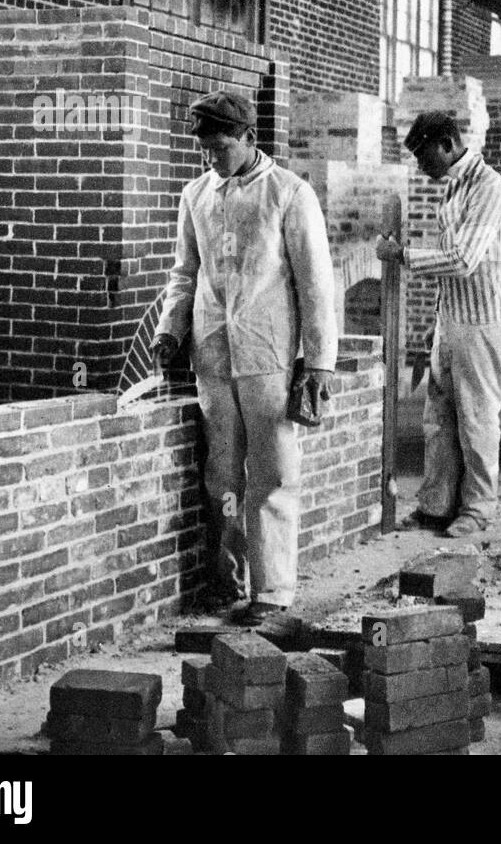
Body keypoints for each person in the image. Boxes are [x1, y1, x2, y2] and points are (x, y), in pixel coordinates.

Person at [152, 90, 337, 626]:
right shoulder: (196, 195)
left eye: (219, 147)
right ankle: (227, 579)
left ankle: (272, 592)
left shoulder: (289, 194)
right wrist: (172, 328)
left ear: (248, 138)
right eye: (204, 149)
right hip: (214, 354)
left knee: (274, 476)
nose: (211, 158)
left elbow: (316, 284)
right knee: (222, 476)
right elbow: (184, 272)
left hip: (269, 355)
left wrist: (319, 362)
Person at [375, 111, 501, 538]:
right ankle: (437, 505)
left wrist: (402, 255)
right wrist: (438, 321)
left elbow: (462, 258)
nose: (421, 166)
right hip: (454, 317)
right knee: (438, 415)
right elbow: (450, 256)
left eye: (424, 156)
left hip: (485, 318)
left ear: (448, 143)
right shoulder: (454, 186)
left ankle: (478, 509)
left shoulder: (489, 187)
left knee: (476, 417)